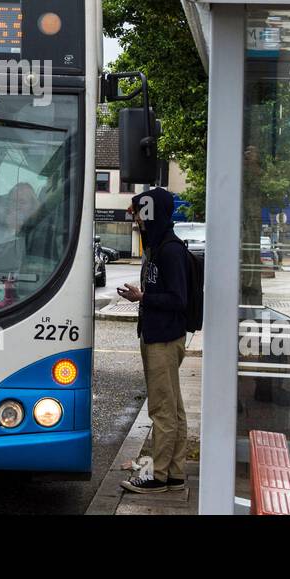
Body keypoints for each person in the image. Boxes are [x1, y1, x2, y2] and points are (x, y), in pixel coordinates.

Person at [117, 186, 189, 495]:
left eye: (138, 213)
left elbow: (179, 299)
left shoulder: (171, 250)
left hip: (163, 337)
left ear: (152, 212)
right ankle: (175, 472)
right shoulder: (158, 246)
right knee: (174, 408)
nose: (136, 221)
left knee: (162, 409)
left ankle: (158, 476)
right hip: (156, 333)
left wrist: (142, 296)